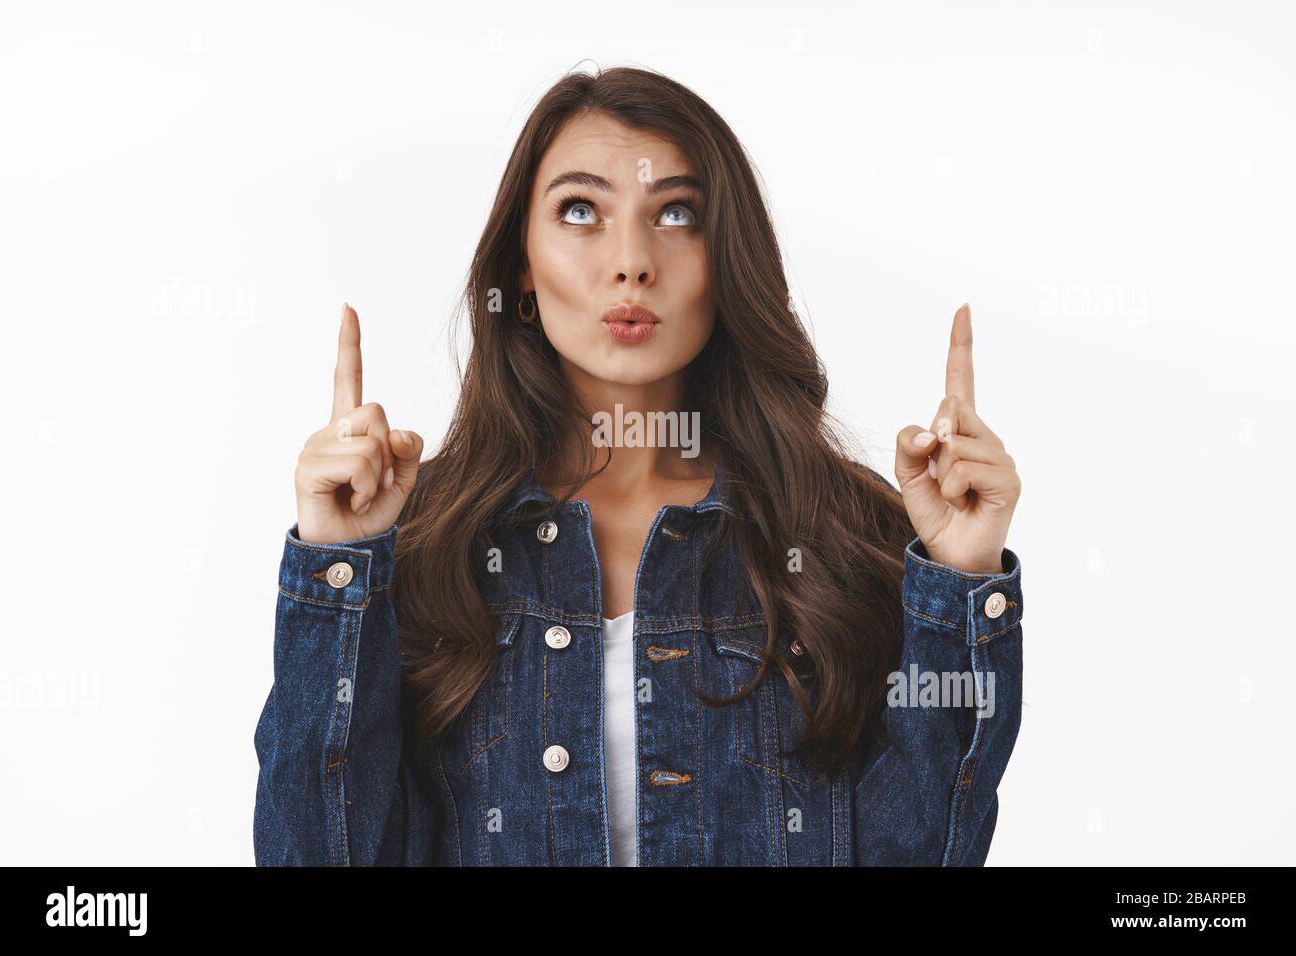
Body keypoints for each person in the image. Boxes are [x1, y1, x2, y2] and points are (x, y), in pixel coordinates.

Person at [254, 65, 1024, 866]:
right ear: (521, 266)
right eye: (580, 211)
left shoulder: (844, 538)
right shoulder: (420, 546)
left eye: (677, 214)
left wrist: (961, 581)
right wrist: (338, 570)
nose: (631, 262)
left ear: (728, 262)